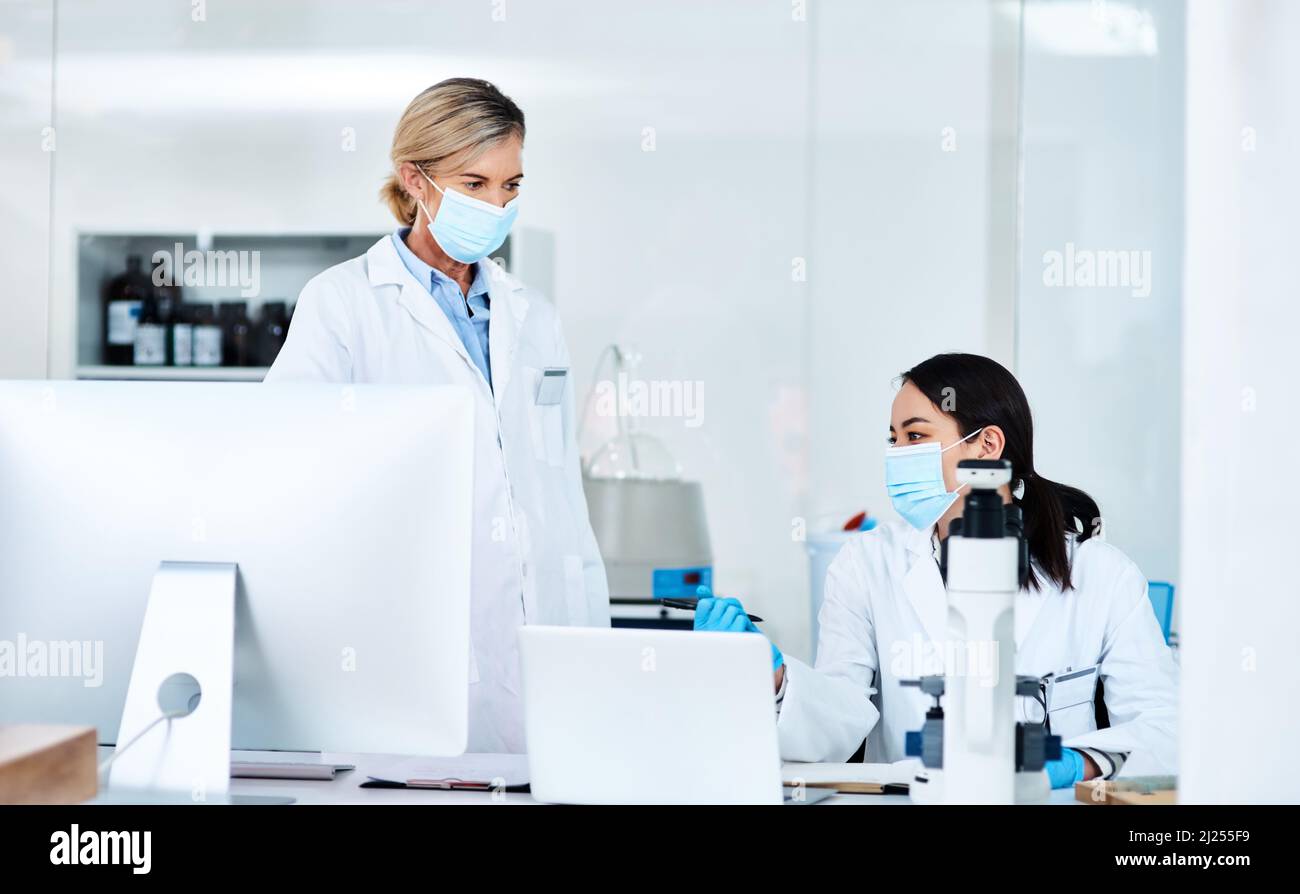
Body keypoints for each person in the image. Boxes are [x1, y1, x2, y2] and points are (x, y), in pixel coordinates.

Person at [265, 78, 610, 752]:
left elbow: (558, 493)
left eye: (510, 186)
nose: (496, 204)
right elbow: (288, 470)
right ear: (415, 180)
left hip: (547, 639)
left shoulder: (532, 315)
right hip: (407, 633)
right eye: (474, 183)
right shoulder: (345, 304)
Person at [694, 352, 1178, 787]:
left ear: (987, 445)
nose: (899, 454)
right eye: (895, 438)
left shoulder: (1102, 575)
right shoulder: (867, 565)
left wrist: (1077, 762)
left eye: (917, 436)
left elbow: (1165, 726)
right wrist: (776, 677)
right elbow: (840, 723)